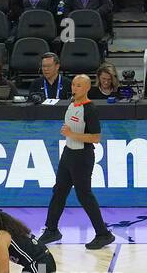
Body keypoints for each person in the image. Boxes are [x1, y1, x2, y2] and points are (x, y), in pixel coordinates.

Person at [38, 73, 114, 250]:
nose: (74, 88)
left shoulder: (90, 109)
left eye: (79, 85)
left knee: (84, 195)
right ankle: (51, 229)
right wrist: (68, 135)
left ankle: (103, 234)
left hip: (82, 156)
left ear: (87, 88)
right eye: (73, 84)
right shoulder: (72, 104)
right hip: (68, 153)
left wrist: (72, 135)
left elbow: (96, 137)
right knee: (59, 191)